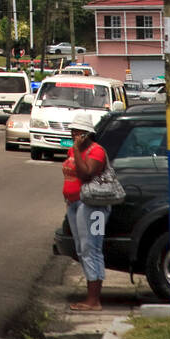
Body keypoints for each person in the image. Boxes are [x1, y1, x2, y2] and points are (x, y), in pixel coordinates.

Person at [62, 113, 110, 312]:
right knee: (82, 249)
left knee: (92, 248)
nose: (74, 134)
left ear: (87, 133)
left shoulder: (96, 151)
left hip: (93, 206)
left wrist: (76, 149)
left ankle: (94, 299)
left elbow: (86, 173)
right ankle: (91, 295)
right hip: (75, 204)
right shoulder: (74, 152)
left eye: (78, 131)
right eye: (73, 131)